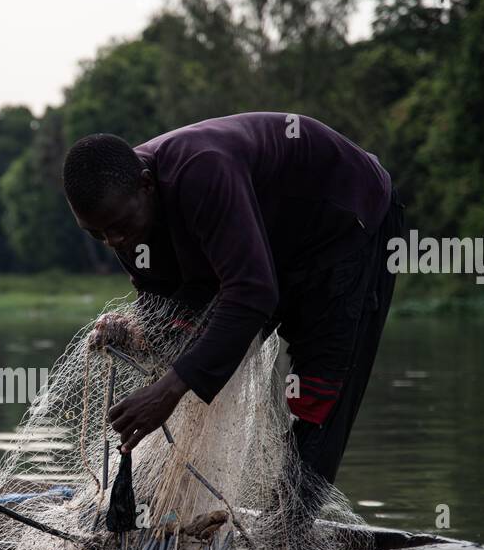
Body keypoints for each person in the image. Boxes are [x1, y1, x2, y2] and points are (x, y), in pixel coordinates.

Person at [62, 112, 407, 496]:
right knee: (198, 347)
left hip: (344, 220)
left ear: (146, 185)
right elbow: (169, 308)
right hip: (271, 236)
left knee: (319, 392)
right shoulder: (126, 221)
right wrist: (135, 332)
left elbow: (252, 294)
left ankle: (291, 530)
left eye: (118, 226)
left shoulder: (201, 171)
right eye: (96, 233)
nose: (113, 241)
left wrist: (168, 391)